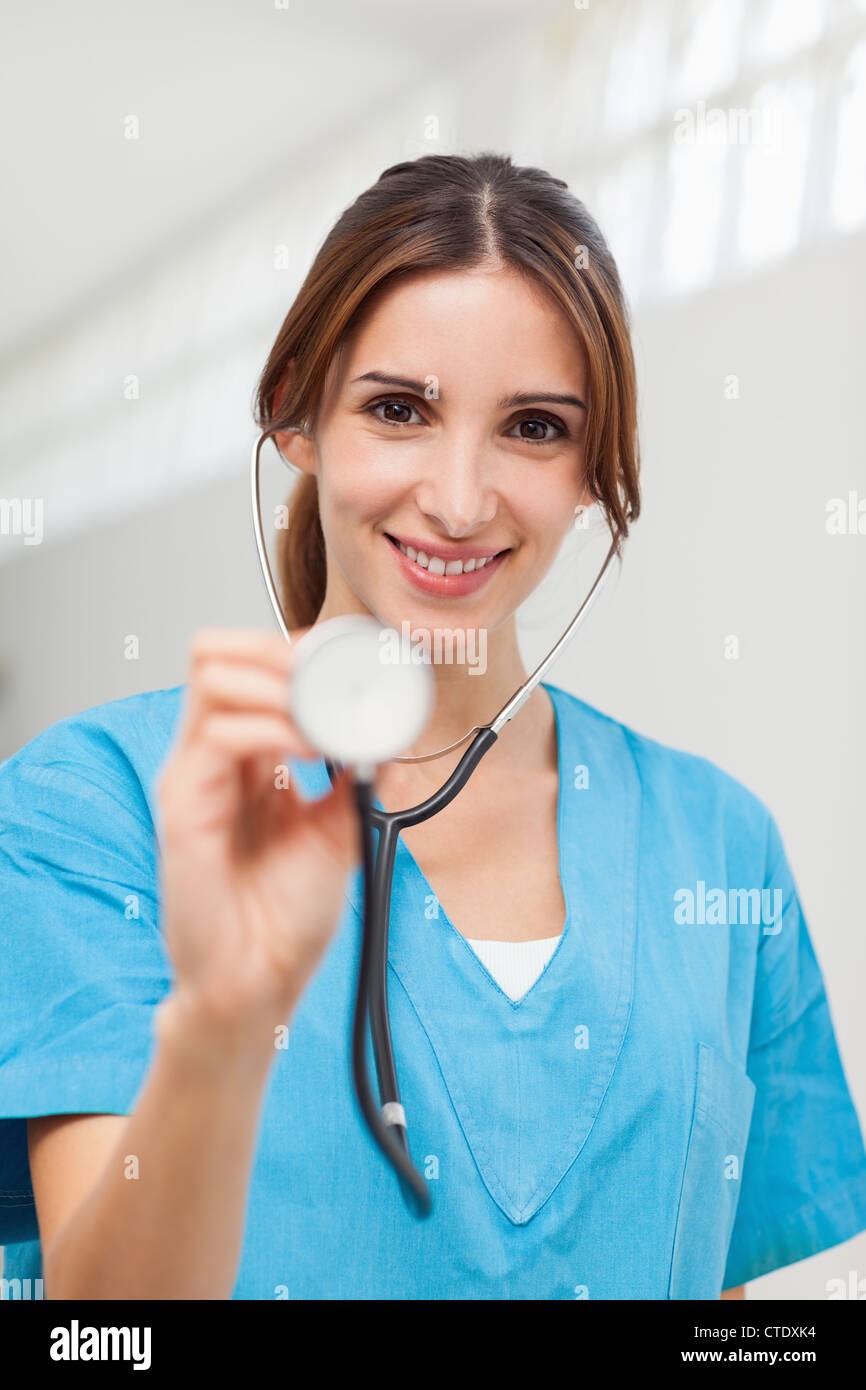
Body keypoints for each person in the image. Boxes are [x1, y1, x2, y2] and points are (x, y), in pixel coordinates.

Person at [1, 153, 865, 1301]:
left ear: (591, 473)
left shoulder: (715, 840)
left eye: (534, 427)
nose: (460, 500)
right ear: (296, 413)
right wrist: (221, 1019)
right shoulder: (92, 803)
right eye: (397, 409)